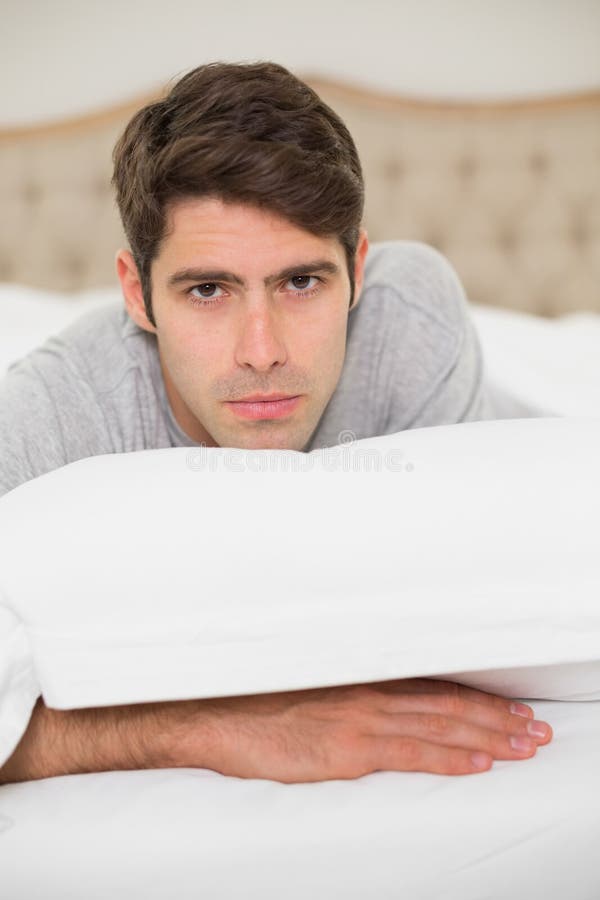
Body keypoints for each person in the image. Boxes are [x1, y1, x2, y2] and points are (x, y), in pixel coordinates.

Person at [0, 61, 552, 786]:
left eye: (301, 282)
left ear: (356, 269)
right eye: (207, 290)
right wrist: (213, 726)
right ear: (138, 295)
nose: (263, 353)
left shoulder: (408, 323)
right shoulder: (54, 410)